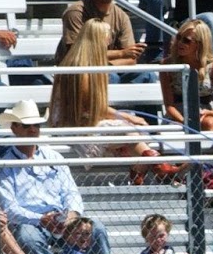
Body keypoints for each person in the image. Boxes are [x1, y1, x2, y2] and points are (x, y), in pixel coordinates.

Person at [0, 99, 116, 254]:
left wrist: (72, 216)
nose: (33, 129)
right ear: (14, 128)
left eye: (36, 125)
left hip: (63, 219)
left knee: (97, 229)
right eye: (26, 125)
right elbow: (9, 208)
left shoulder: (54, 157)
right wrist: (40, 219)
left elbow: (71, 192)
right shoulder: (4, 164)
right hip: (31, 223)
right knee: (27, 236)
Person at [49, 21, 156, 163]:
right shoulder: (80, 68)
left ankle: (147, 166)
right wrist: (128, 117)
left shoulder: (85, 64)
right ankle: (156, 165)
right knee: (127, 127)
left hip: (84, 121)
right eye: (107, 37)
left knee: (132, 128)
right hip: (72, 125)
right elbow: (91, 107)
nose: (109, 41)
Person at [161, 17, 213, 130]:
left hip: (205, 113)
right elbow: (169, 106)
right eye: (179, 38)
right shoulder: (168, 65)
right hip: (176, 114)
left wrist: (208, 113)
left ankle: (210, 148)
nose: (180, 43)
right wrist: (184, 121)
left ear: (199, 44)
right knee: (174, 129)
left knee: (210, 124)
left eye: (187, 40)